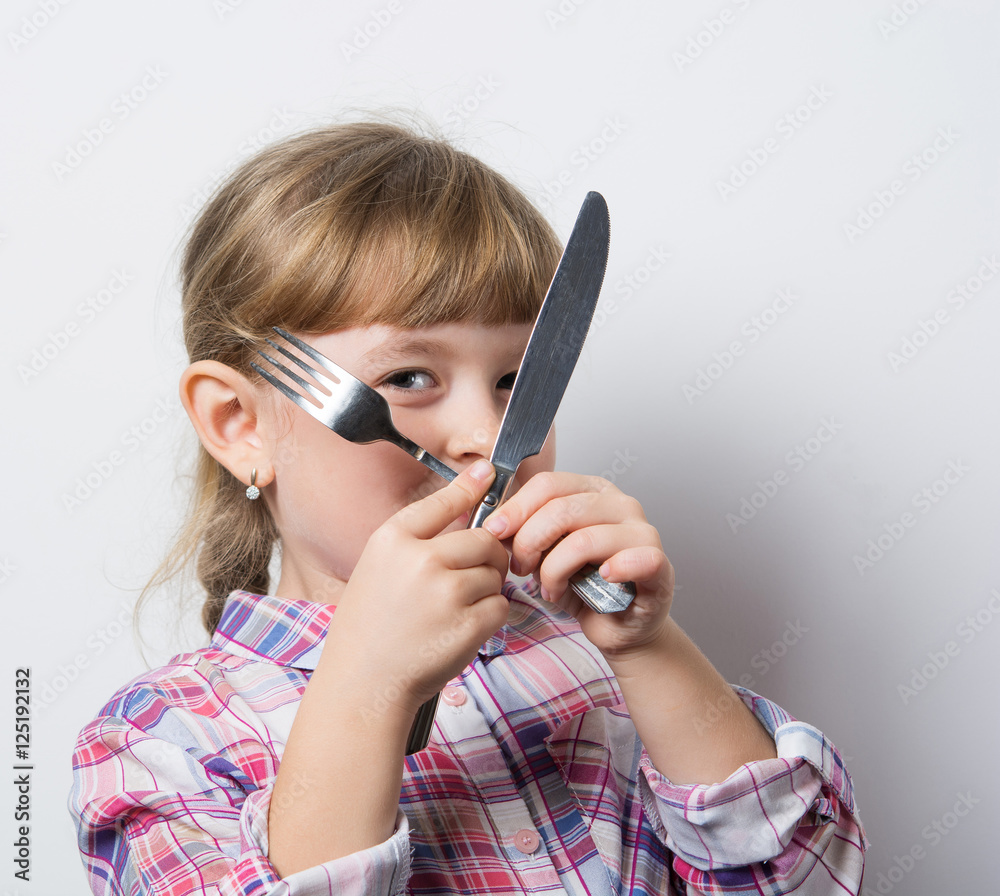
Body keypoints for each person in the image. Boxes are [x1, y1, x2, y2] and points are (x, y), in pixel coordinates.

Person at [69, 119, 867, 895]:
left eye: (517, 380)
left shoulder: (604, 663)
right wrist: (366, 688)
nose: (487, 437)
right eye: (409, 378)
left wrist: (648, 646)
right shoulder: (159, 741)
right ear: (240, 425)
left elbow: (803, 882)